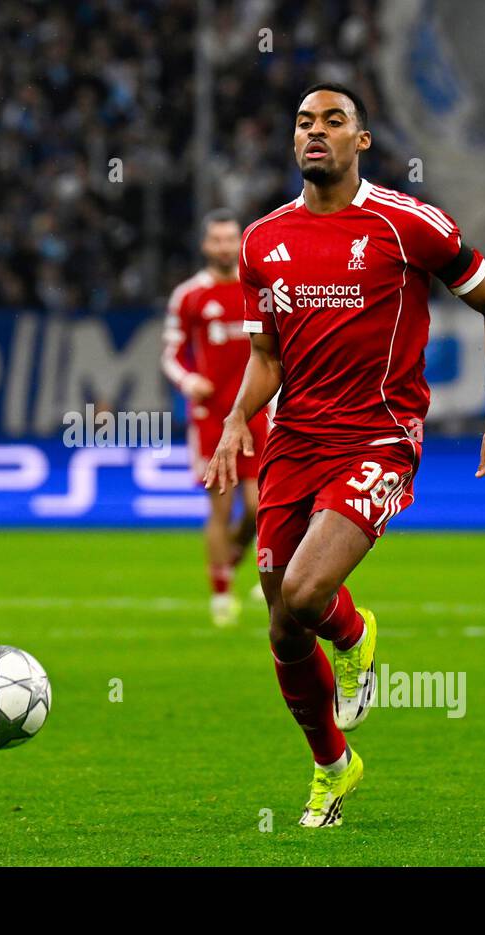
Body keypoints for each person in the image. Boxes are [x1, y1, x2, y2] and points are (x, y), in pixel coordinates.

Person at [203, 84, 485, 827]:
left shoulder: (407, 224)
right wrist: (234, 422)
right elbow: (267, 355)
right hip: (293, 440)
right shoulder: (262, 241)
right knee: (283, 625)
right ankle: (333, 767)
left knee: (304, 593)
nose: (315, 132)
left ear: (361, 141)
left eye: (334, 121)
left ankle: (354, 635)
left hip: (379, 438)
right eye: (303, 122)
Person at [162, 209, 270, 626]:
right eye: (217, 240)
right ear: (206, 245)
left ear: (240, 242)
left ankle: (237, 556)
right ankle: (221, 594)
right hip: (211, 418)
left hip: (255, 413)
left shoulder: (257, 288)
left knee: (260, 506)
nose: (224, 247)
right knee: (221, 508)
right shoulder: (189, 295)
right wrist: (188, 380)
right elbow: (171, 354)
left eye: (230, 239)